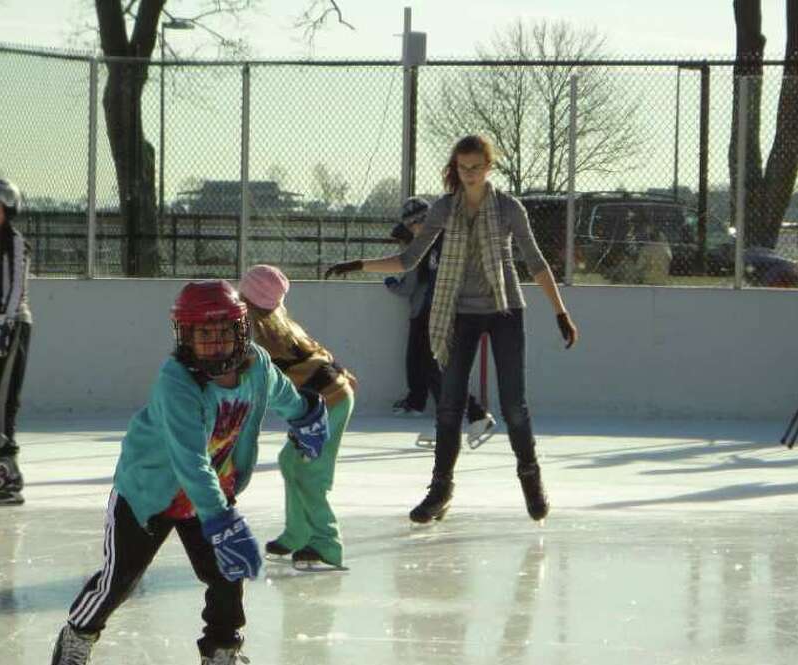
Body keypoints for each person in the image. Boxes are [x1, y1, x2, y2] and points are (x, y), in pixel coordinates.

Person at [47, 280, 329, 665]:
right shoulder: (175, 382)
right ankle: (79, 632)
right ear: (185, 336)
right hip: (150, 492)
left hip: (209, 494)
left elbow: (284, 396)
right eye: (203, 335)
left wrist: (307, 415)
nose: (214, 344)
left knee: (225, 577)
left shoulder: (257, 367)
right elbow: (190, 462)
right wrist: (222, 520)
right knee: (119, 580)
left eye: (222, 333)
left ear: (240, 331)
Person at [325, 134, 578, 524]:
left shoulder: (509, 208)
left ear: (489, 167)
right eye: (463, 168)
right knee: (449, 407)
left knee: (513, 405)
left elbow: (536, 261)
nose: (470, 174)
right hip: (459, 311)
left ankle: (531, 479)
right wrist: (358, 264)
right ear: (455, 168)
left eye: (477, 167)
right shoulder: (444, 209)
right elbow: (409, 259)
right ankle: (440, 490)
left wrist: (560, 312)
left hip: (505, 309)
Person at [238, 264, 354, 571]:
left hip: (328, 402)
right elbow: (315, 353)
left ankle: (326, 543)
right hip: (322, 399)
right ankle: (298, 532)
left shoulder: (256, 330)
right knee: (291, 462)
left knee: (309, 474)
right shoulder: (272, 321)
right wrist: (341, 371)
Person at [385, 196, 497, 449]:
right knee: (438, 368)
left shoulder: (448, 239)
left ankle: (457, 423)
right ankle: (471, 417)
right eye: (411, 224)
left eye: (419, 221)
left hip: (453, 311)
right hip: (439, 311)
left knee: (438, 368)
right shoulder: (432, 243)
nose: (415, 228)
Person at [0, 178, 32, 505]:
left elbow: (15, 287)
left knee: (2, 400)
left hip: (12, 327)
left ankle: (7, 472)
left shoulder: (13, 240)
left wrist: (4, 321)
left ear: (8, 208)